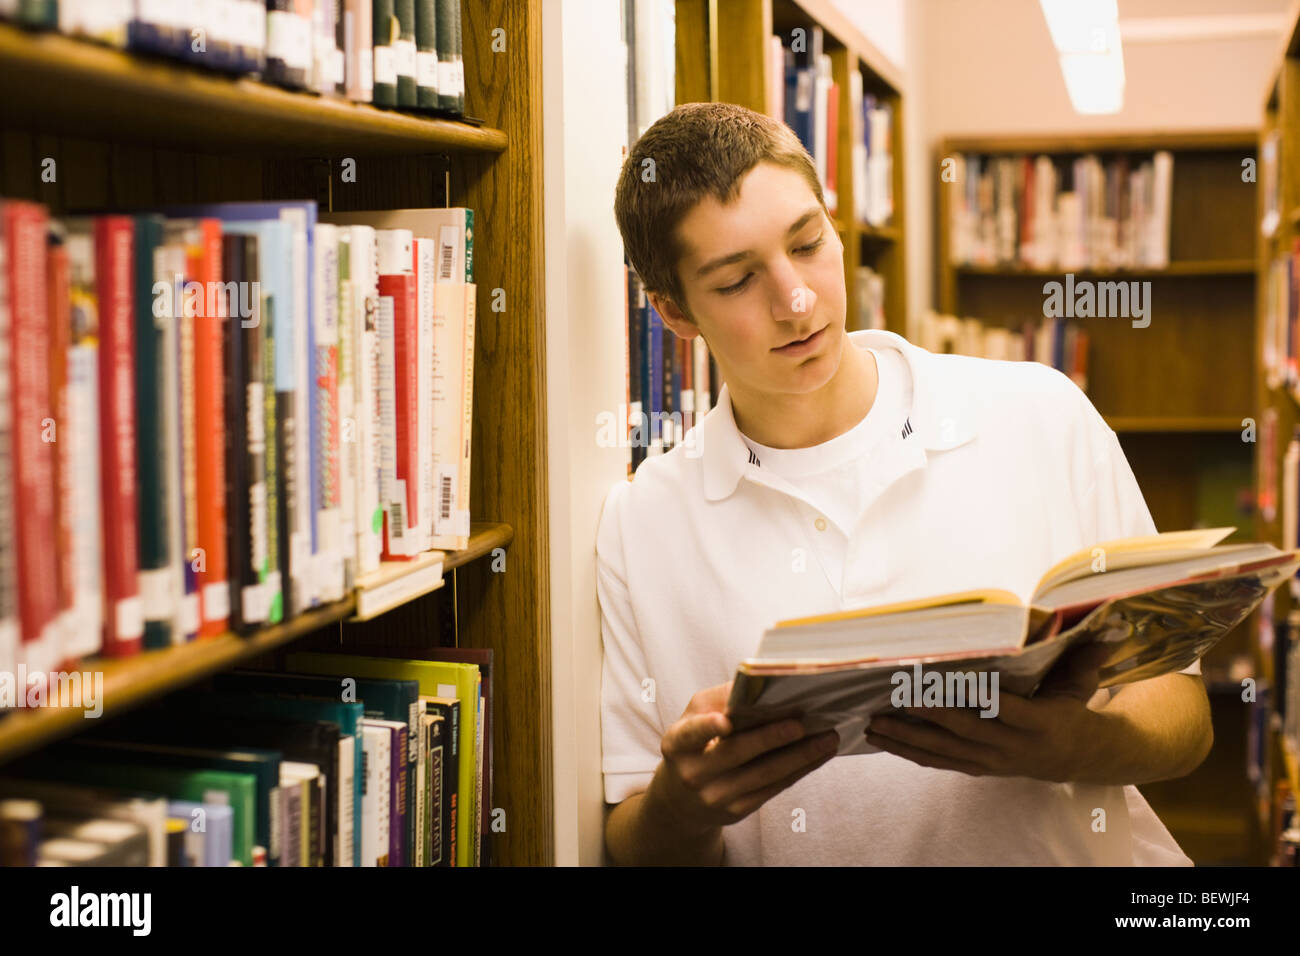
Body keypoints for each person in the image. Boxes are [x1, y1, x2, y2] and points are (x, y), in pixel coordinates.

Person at [598, 102, 1211, 866]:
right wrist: (680, 807)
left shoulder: (1042, 412)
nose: (796, 299)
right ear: (673, 312)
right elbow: (630, 833)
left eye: (808, 242)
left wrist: (1074, 746)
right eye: (737, 280)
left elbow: (1184, 713)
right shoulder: (642, 522)